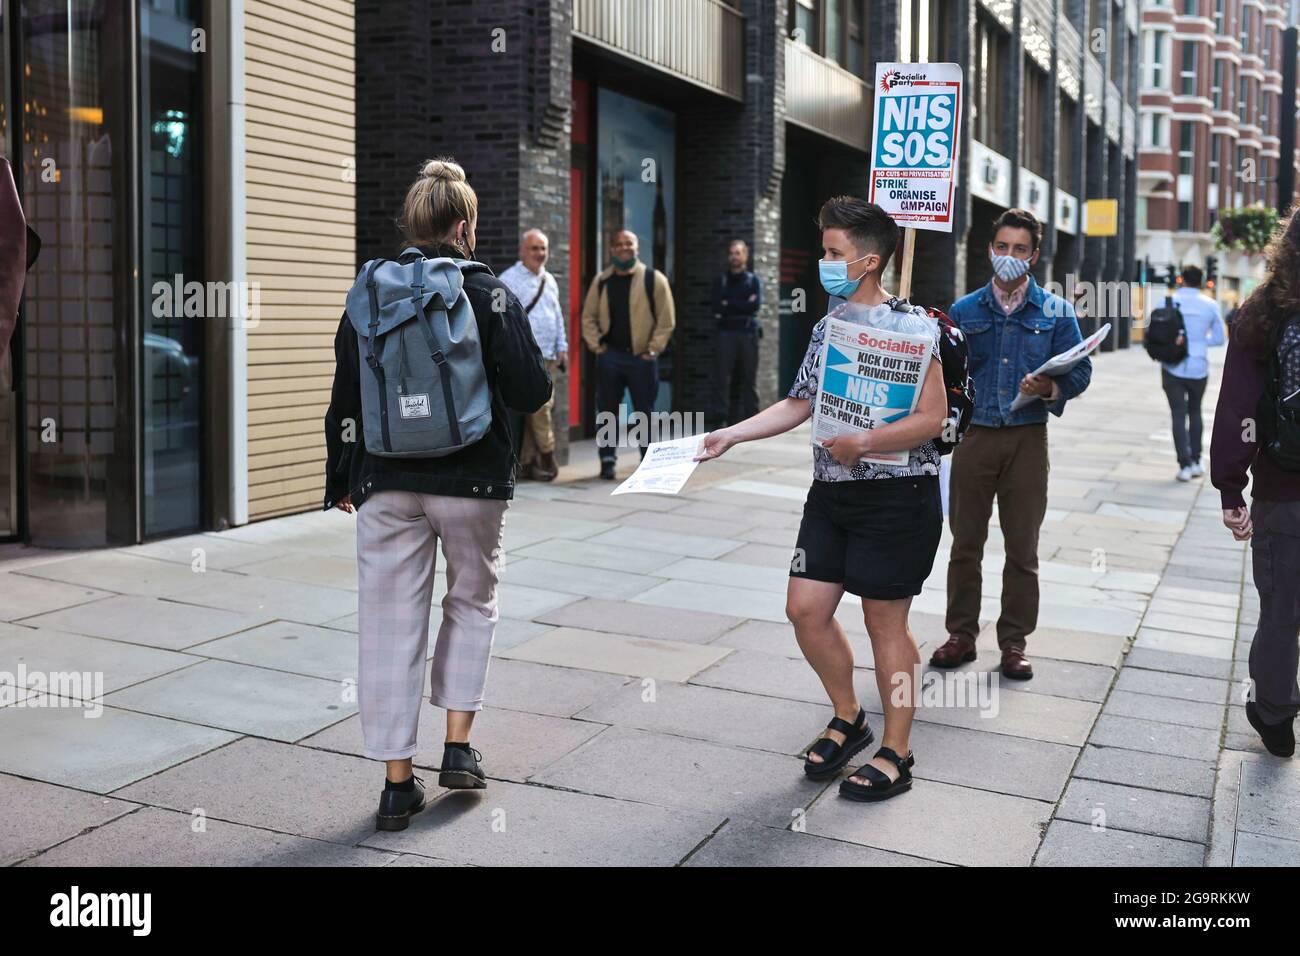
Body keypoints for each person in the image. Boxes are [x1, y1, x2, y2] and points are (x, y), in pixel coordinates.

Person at [323, 158, 552, 830]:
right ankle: (457, 748)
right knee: (472, 601)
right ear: (462, 226)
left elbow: (345, 392)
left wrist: (344, 475)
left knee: (390, 619)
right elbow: (530, 390)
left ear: (413, 225)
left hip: (384, 478)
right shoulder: (490, 293)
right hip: (472, 479)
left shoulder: (365, 290)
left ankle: (397, 784)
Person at [697, 197, 948, 802]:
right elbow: (798, 401)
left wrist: (867, 441)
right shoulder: (828, 327)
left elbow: (934, 420)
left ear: (868, 260)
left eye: (834, 253)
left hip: (899, 498)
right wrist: (731, 433)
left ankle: (898, 751)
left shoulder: (918, 330)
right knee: (805, 609)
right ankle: (850, 716)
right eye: (824, 251)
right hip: (831, 496)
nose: (823, 262)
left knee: (884, 621)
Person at [930, 208, 1092, 680]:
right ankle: (960, 634)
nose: (1009, 256)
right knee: (966, 544)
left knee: (1023, 547)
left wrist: (1049, 389)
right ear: (989, 249)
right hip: (976, 437)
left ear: (1034, 256)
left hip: (1027, 438)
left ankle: (1014, 643)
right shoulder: (963, 311)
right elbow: (947, 375)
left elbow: (1081, 371)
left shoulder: (1056, 312)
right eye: (1002, 247)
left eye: (1019, 249)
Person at [1211, 210, 1300, 758]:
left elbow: (1237, 410)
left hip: (1281, 492)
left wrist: (1230, 489)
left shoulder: (1263, 315)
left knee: (1281, 611)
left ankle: (1274, 714)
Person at [580, 229, 676, 479]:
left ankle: (647, 461)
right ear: (612, 249)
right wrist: (597, 347)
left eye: (629, 243)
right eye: (619, 243)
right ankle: (608, 461)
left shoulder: (654, 280)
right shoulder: (602, 281)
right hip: (610, 356)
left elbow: (666, 321)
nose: (624, 247)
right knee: (607, 412)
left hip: (641, 358)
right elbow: (588, 317)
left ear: (637, 248)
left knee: (645, 412)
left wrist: (653, 349)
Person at [500, 229, 568, 481]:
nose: (539, 254)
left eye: (543, 249)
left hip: (549, 355)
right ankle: (548, 457)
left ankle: (527, 462)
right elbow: (499, 317)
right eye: (534, 248)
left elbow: (557, 315)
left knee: (536, 409)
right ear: (522, 251)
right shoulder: (508, 279)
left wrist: (563, 346)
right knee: (541, 407)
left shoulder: (549, 280)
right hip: (525, 357)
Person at [1161, 265, 1225, 481]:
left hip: (1172, 366)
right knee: (1195, 412)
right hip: (1199, 366)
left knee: (1178, 415)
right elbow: (1218, 339)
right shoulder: (1210, 305)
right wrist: (1198, 342)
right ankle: (1197, 461)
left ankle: (1184, 465)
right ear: (1201, 281)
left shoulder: (1168, 301)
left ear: (1182, 279)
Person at [712, 239, 762, 427]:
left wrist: (729, 303)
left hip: (748, 334)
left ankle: (753, 421)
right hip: (725, 334)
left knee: (749, 380)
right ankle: (721, 421)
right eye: (732, 253)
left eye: (738, 253)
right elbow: (716, 306)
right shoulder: (721, 280)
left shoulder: (753, 280)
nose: (734, 256)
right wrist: (743, 303)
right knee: (722, 379)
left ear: (745, 256)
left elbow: (755, 306)